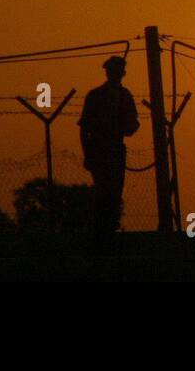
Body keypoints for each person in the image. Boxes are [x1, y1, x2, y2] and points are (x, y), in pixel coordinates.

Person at [78, 55, 140, 246]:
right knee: (103, 193)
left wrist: (122, 126)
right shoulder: (96, 96)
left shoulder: (125, 97)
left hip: (115, 149)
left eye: (116, 71)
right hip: (100, 150)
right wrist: (88, 153)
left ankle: (109, 233)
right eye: (111, 70)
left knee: (114, 194)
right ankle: (99, 234)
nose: (114, 74)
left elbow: (133, 125)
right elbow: (85, 128)